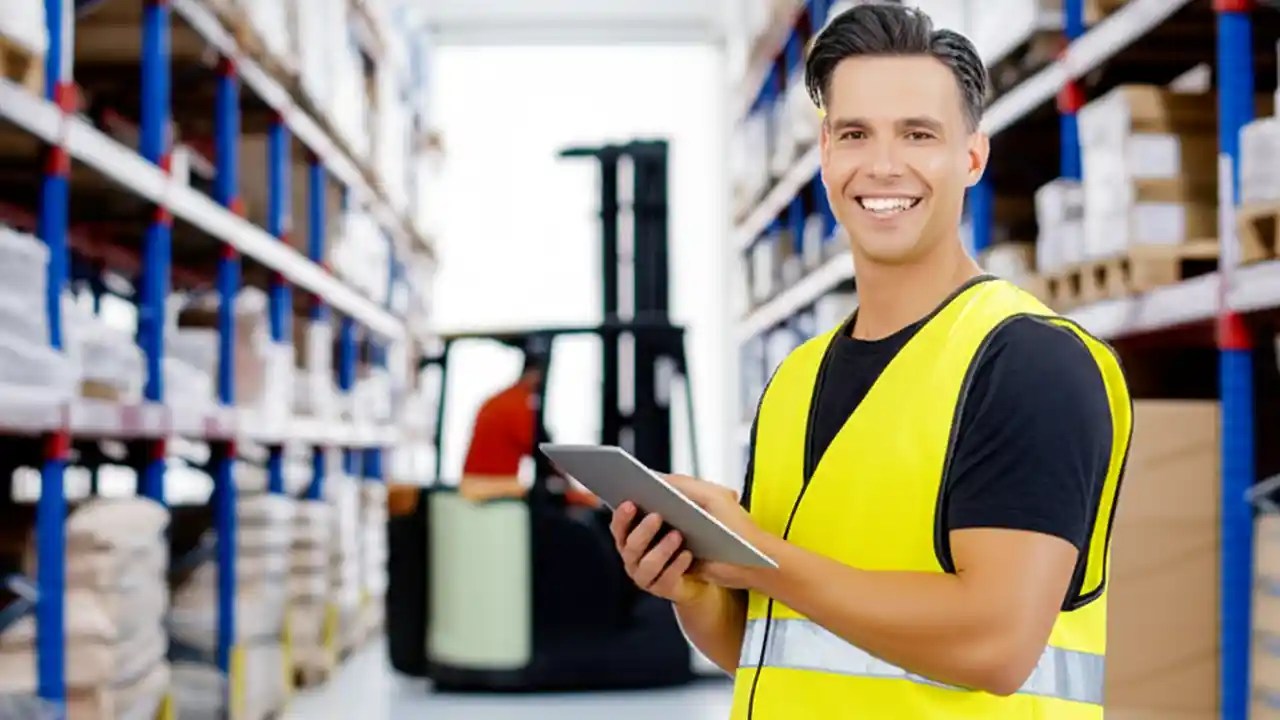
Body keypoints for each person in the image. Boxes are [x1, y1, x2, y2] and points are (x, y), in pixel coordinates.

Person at [608, 5, 1131, 719]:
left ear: (972, 157)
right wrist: (696, 584)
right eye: (855, 134)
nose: (883, 165)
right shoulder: (795, 380)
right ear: (825, 153)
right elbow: (769, 648)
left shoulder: (1029, 362)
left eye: (918, 134)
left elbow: (994, 645)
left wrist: (760, 555)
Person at [459, 352, 598, 507]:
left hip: (480, 481)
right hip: (491, 484)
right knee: (550, 501)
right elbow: (540, 451)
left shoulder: (502, 399)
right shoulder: (518, 404)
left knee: (548, 495)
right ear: (534, 374)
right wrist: (571, 487)